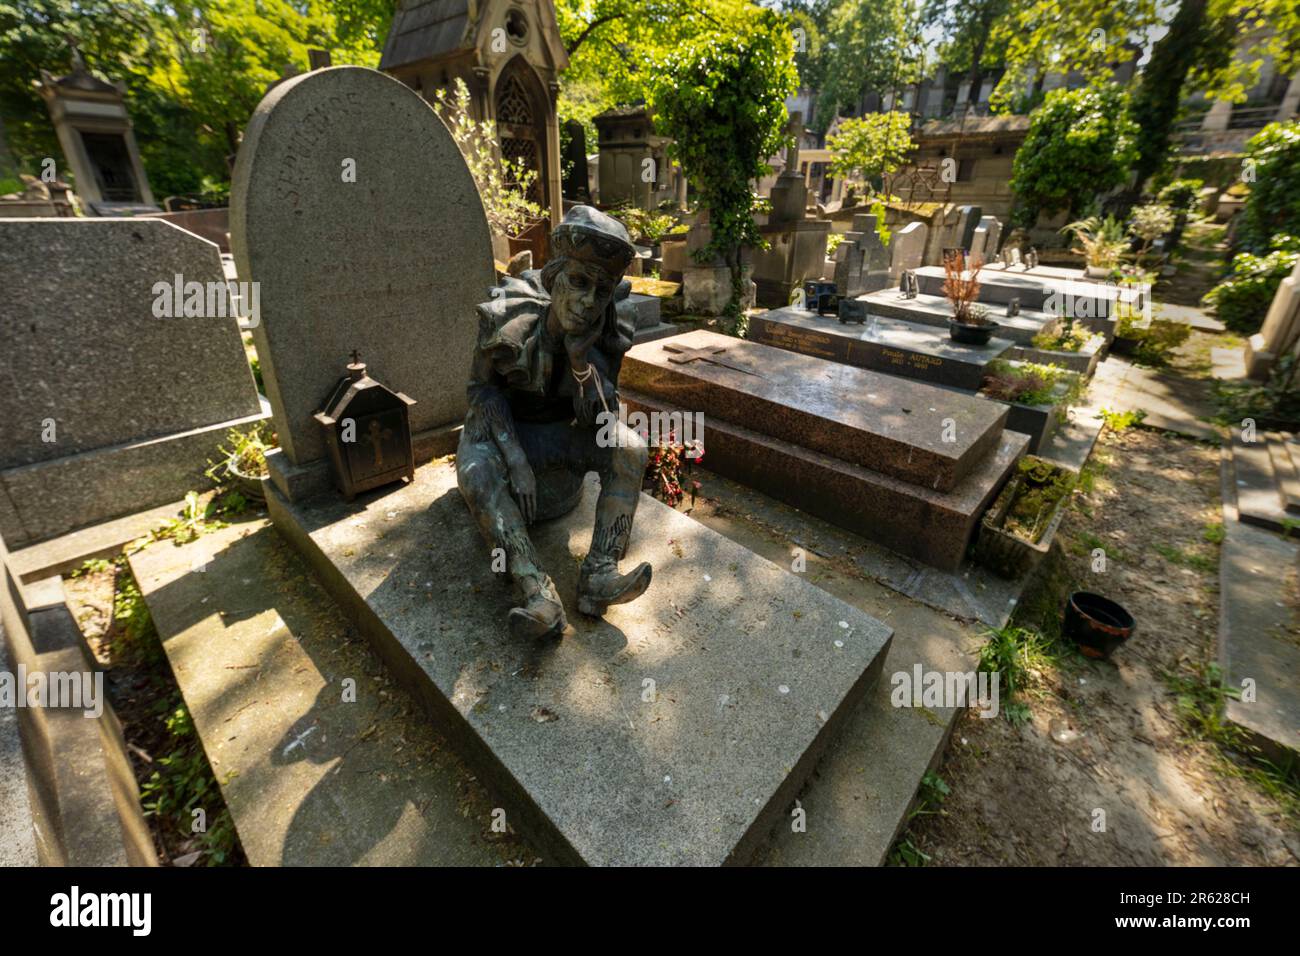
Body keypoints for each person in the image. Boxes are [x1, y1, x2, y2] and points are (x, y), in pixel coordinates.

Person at [456, 206, 651, 640]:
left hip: (560, 433)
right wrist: (515, 459)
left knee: (630, 448)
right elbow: (481, 394)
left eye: (600, 292)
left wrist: (582, 364)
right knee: (478, 474)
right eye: (578, 283)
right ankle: (536, 592)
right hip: (501, 432)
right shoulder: (507, 319)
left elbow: (604, 416)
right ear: (555, 278)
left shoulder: (606, 330)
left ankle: (599, 572)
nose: (587, 302)